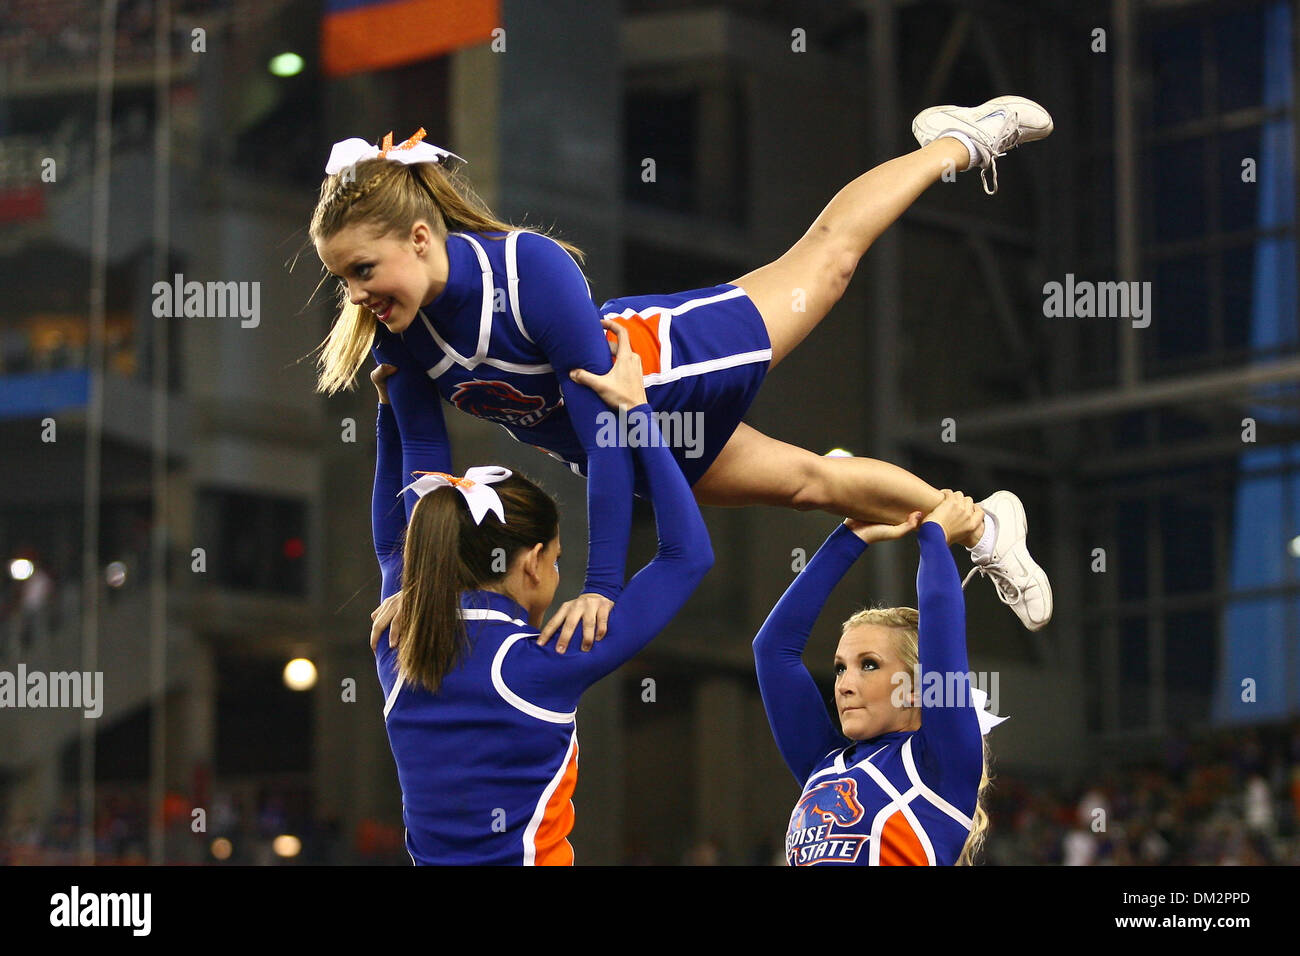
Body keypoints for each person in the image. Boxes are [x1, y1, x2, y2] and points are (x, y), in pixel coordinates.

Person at [312, 97, 1055, 653]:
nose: (355, 294)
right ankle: (988, 525)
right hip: (635, 443)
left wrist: (601, 585)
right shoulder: (400, 333)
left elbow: (605, 428)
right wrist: (405, 588)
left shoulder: (527, 272)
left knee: (826, 263)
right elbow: (424, 471)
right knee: (812, 486)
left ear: (418, 237)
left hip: (673, 369)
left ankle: (957, 141)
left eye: (362, 270)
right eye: (342, 278)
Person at [370, 322, 712, 864]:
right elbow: (686, 555)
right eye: (556, 560)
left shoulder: (397, 644)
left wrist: (397, 402)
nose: (558, 576)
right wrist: (636, 412)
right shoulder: (537, 662)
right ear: (530, 563)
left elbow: (402, 527)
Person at [753, 491, 1006, 866]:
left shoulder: (939, 764)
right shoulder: (824, 765)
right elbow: (771, 650)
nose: (844, 684)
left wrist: (935, 535)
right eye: (840, 667)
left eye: (868, 664)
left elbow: (939, 614)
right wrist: (850, 538)